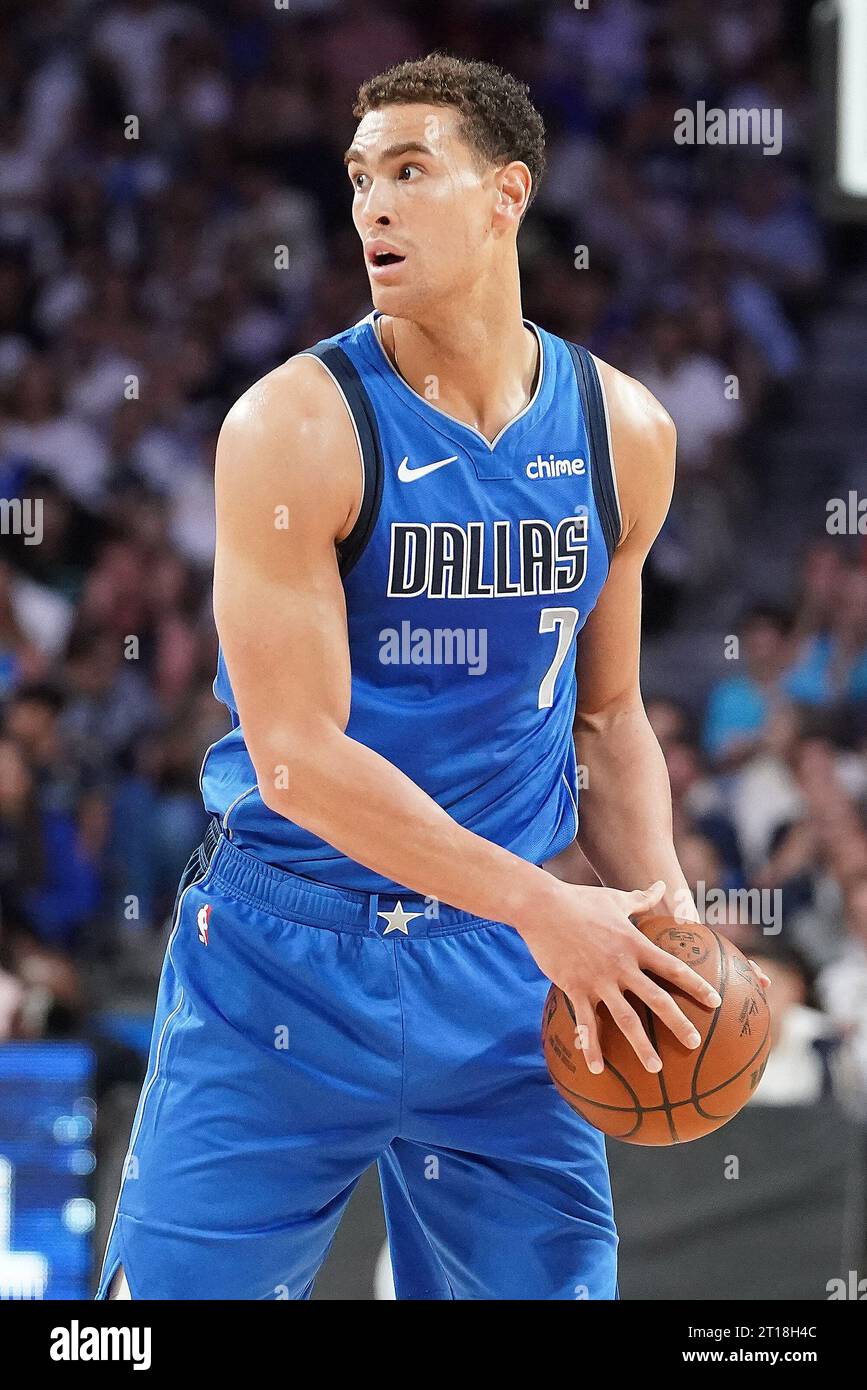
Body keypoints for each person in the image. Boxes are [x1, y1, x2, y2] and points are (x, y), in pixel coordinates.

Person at [98, 54, 767, 1302]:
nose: (373, 208)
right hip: (282, 964)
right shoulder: (293, 427)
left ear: (507, 195)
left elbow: (609, 715)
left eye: (411, 171)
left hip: (511, 980)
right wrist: (542, 903)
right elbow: (295, 755)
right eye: (359, 179)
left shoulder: (624, 430)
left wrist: (664, 914)